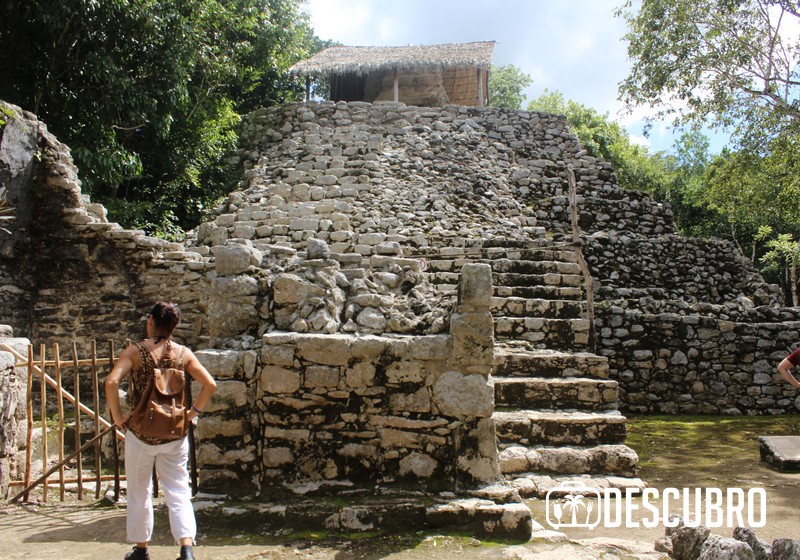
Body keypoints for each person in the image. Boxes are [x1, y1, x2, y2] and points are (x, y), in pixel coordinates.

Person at [105, 301, 216, 560]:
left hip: (141, 433)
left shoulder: (135, 351)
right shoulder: (183, 353)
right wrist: (192, 414)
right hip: (174, 433)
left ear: (151, 322)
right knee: (178, 490)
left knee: (139, 490)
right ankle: (186, 548)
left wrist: (119, 417)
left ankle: (141, 549)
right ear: (174, 326)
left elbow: (111, 382)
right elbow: (209, 384)